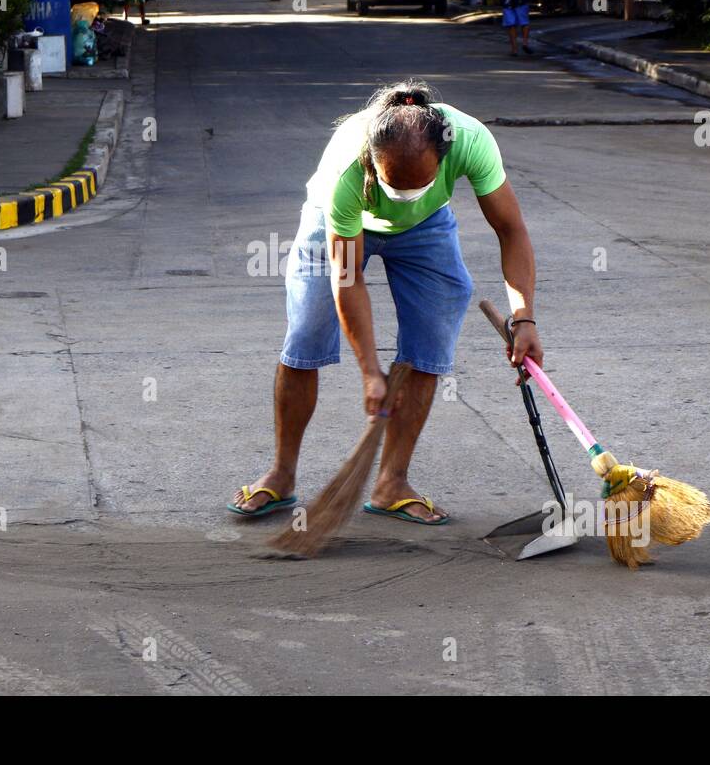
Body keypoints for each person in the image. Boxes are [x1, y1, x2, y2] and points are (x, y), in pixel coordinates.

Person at [230, 81, 544, 525]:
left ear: (442, 159)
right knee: (304, 339)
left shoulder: (470, 140)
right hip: (337, 222)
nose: (403, 194)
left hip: (426, 227)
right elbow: (347, 276)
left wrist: (524, 317)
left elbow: (512, 230)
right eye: (394, 185)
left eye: (419, 183)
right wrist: (369, 372)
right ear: (373, 165)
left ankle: (391, 482)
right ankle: (281, 475)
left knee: (430, 344)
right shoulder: (346, 172)